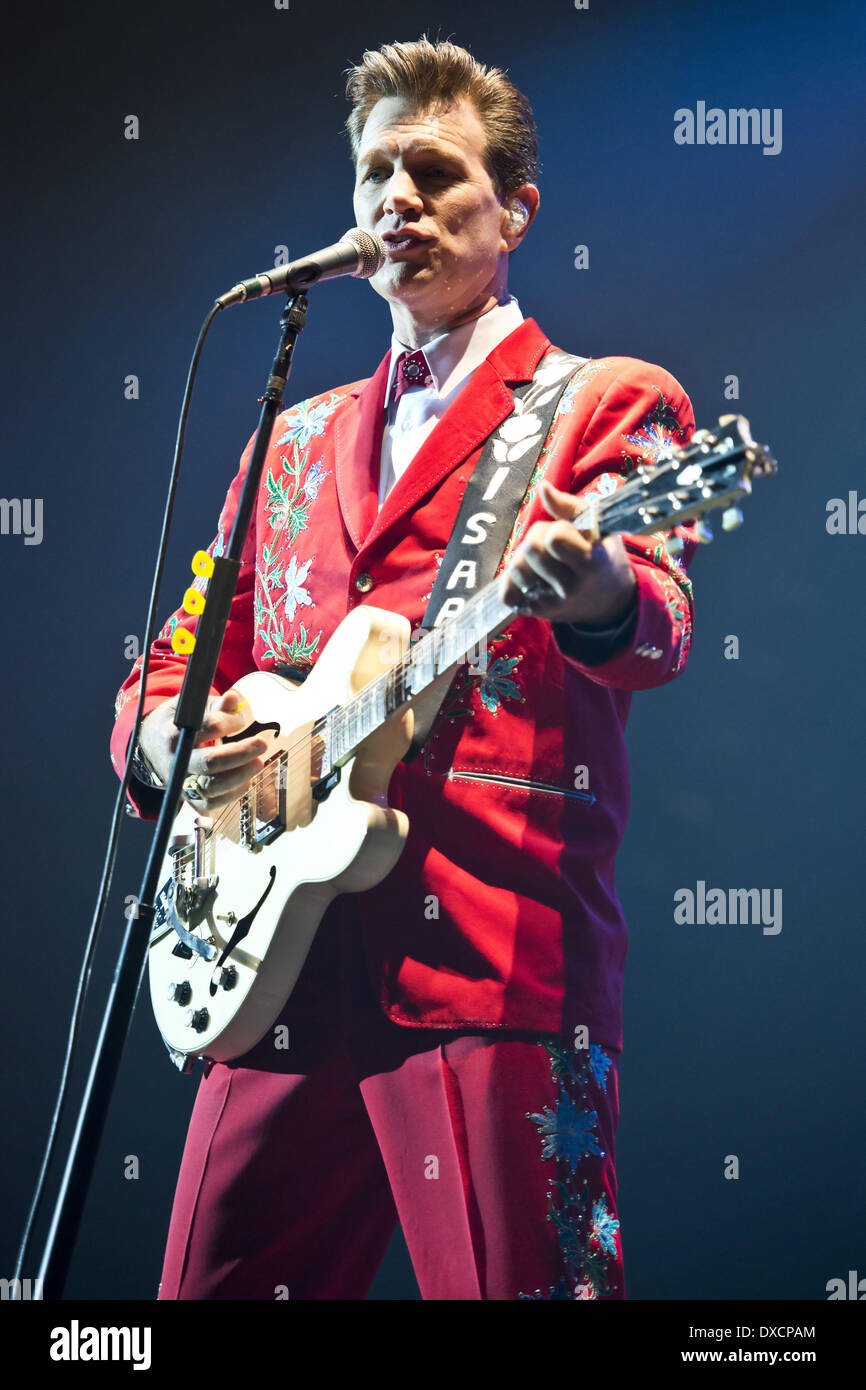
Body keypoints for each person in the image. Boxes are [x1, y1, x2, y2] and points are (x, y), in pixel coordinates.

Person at [111, 36, 697, 1301]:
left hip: (491, 968)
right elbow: (169, 662)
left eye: (436, 172)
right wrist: (174, 745)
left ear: (515, 212)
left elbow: (656, 619)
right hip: (273, 970)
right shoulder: (290, 442)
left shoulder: (602, 403)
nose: (399, 199)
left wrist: (589, 585)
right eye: (378, 171)